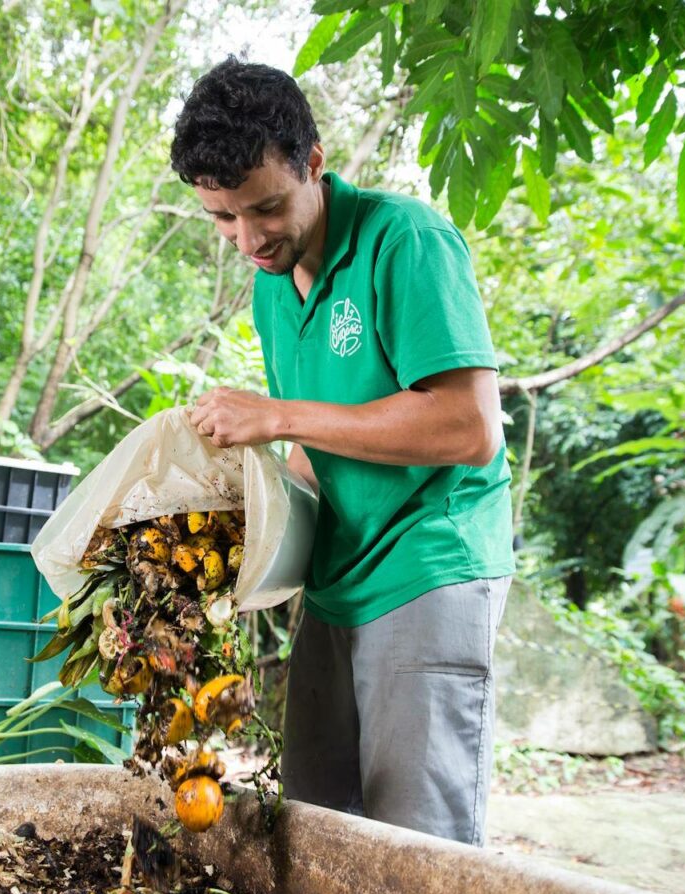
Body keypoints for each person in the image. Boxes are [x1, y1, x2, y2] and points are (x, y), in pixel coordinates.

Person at [171, 58, 514, 846]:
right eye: (223, 219)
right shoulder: (271, 282)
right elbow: (315, 454)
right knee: (316, 826)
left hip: (429, 567)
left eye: (265, 209)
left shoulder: (407, 242)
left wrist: (278, 415)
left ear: (314, 165)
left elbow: (468, 427)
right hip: (336, 579)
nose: (248, 240)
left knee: (415, 844)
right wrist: (233, 532)